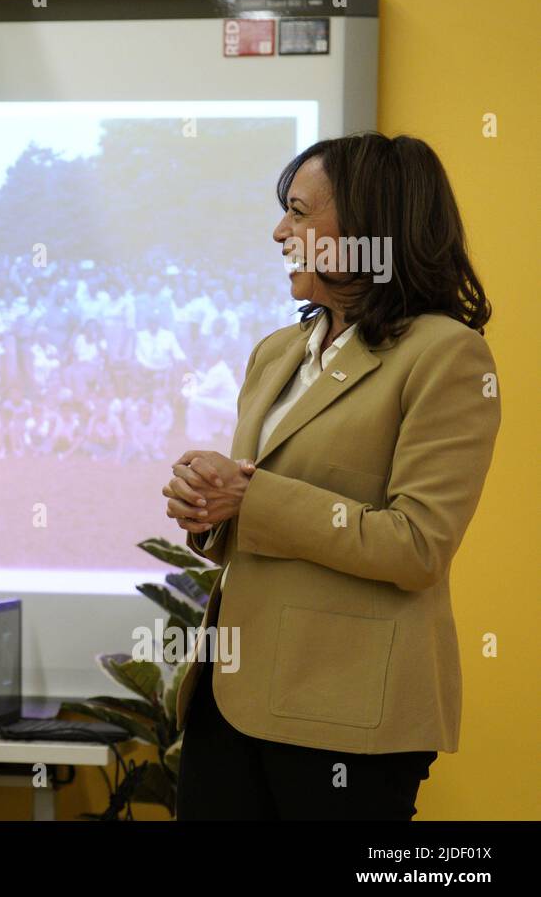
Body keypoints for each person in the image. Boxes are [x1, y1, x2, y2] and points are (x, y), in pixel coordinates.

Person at [162, 132, 499, 820]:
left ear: (373, 226)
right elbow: (254, 518)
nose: (279, 231)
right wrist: (208, 509)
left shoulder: (449, 356)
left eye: (298, 211)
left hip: (348, 714)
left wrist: (250, 497)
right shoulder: (277, 351)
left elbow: (417, 545)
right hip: (230, 699)